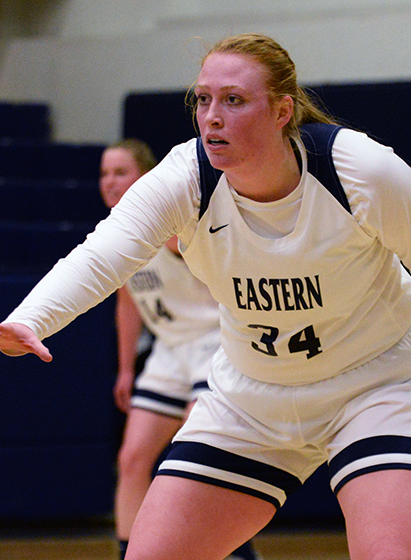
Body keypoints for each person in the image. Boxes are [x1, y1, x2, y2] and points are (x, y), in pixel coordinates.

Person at [0, 33, 411, 560]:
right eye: (203, 100)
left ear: (282, 111)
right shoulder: (186, 177)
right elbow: (104, 253)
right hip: (251, 397)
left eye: (233, 101)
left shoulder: (362, 171)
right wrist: (31, 319)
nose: (212, 117)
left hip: (377, 385)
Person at [101, 140, 258, 560]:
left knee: (196, 453)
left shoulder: (170, 226)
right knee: (132, 459)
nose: (110, 181)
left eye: (120, 172)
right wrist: (125, 369)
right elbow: (127, 304)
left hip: (215, 343)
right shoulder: (116, 235)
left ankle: (234, 548)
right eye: (105, 173)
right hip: (168, 350)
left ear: (145, 177)